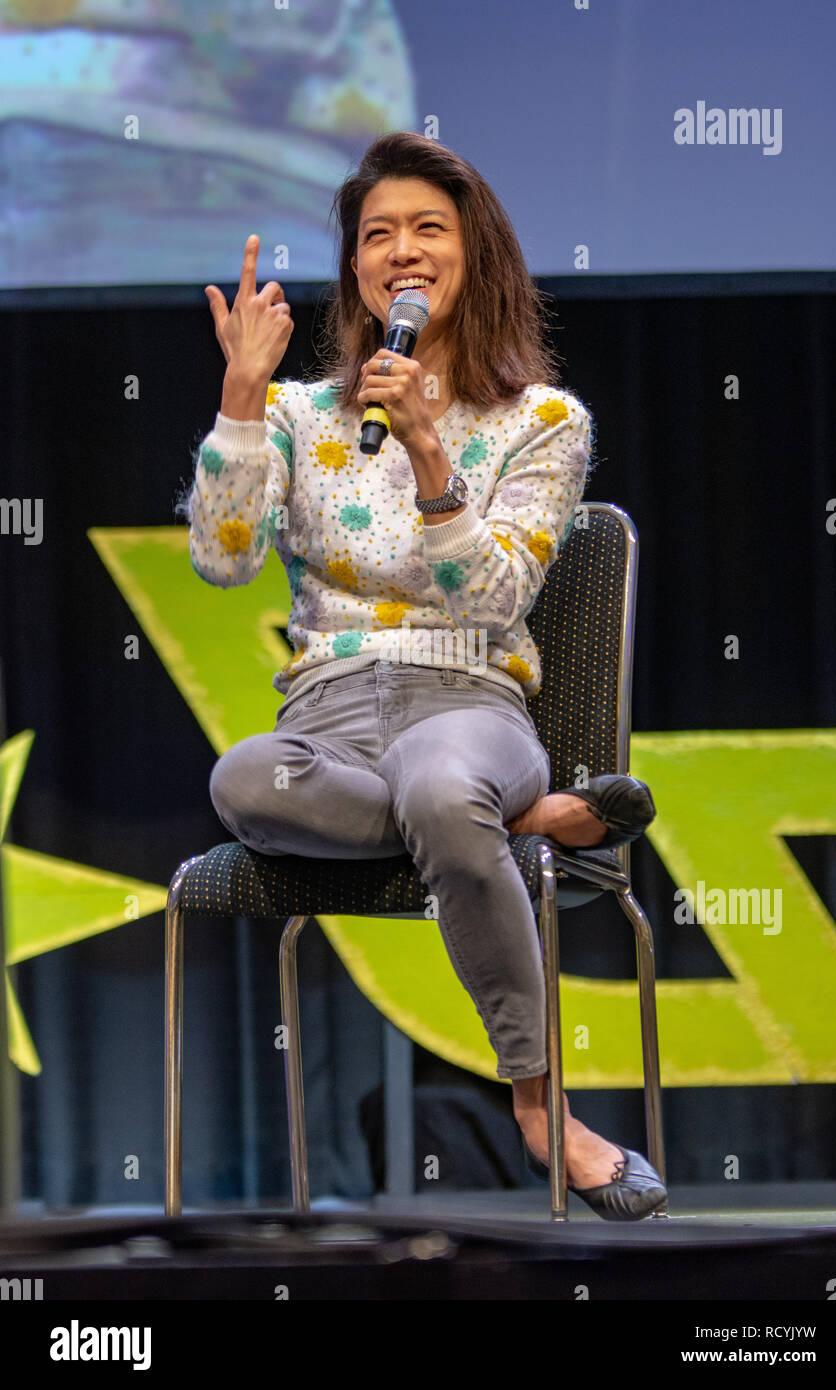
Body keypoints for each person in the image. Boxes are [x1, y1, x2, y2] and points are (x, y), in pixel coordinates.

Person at [184, 131, 665, 1221]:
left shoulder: (540, 422)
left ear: (471, 251)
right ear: (356, 270)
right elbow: (221, 560)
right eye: (376, 236)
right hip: (327, 717)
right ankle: (530, 818)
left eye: (426, 229)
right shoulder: (308, 417)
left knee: (444, 787)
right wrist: (242, 400)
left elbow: (494, 595)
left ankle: (539, 1101)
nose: (400, 251)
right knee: (243, 784)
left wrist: (431, 456)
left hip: (467, 702)